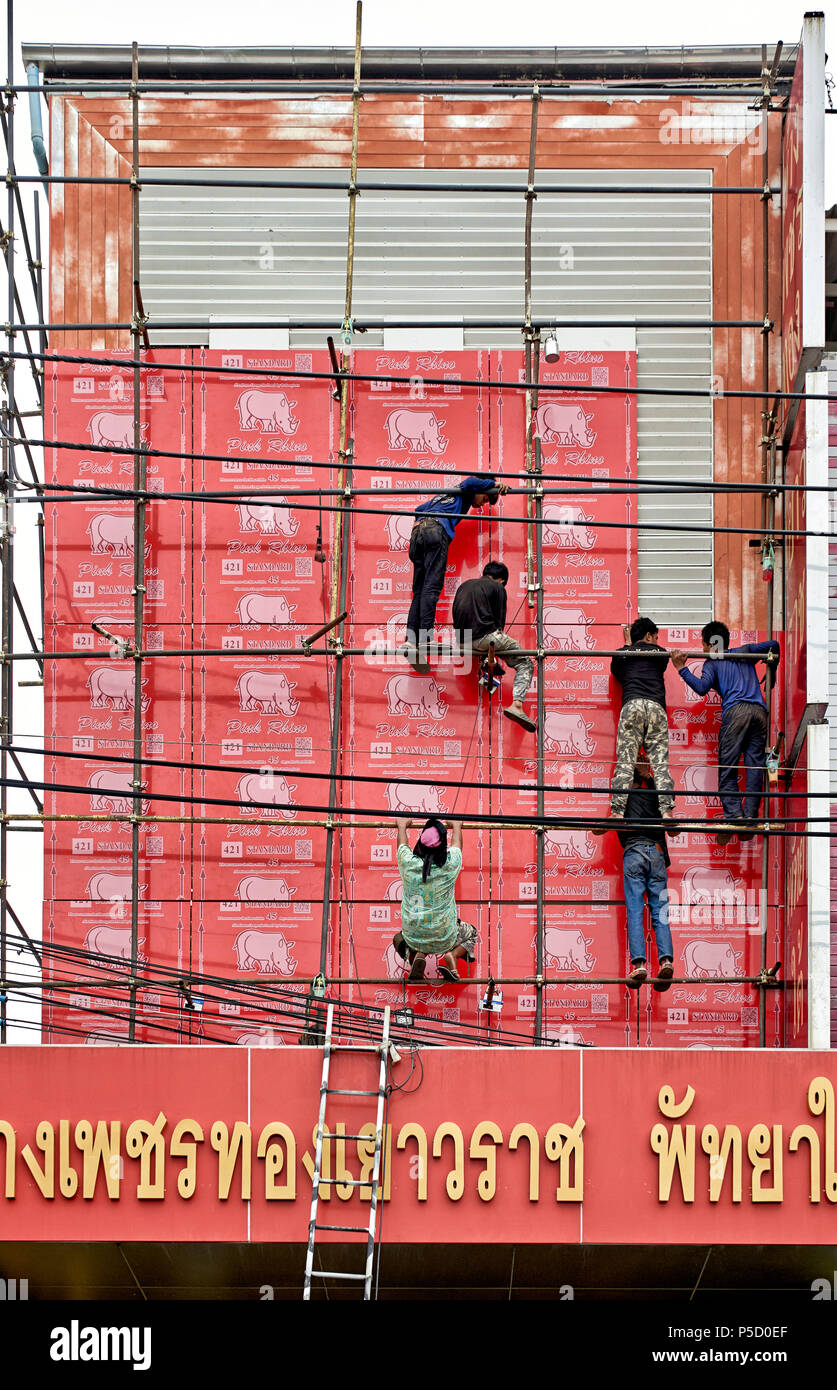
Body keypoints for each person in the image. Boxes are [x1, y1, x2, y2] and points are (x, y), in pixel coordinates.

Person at [671, 621, 780, 842]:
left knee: (727, 770)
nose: (702, 650)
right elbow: (775, 644)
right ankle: (749, 818)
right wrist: (773, 672)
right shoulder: (744, 651)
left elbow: (701, 688)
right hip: (760, 713)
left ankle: (735, 818)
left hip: (736, 713)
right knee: (754, 768)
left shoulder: (712, 662)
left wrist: (681, 668)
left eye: (703, 645)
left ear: (712, 644)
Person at [405, 475, 510, 669]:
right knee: (431, 588)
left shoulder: (445, 495)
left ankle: (411, 640)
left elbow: (419, 509)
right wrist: (495, 484)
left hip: (417, 533)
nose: (481, 505)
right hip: (436, 531)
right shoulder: (466, 489)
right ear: (481, 489)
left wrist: (420, 524)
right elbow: (471, 481)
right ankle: (425, 638)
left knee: (419, 590)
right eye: (485, 499)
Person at [603, 617, 676, 829]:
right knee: (660, 765)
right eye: (655, 637)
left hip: (632, 706)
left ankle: (617, 812)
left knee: (625, 762)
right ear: (648, 636)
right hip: (655, 708)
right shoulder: (661, 653)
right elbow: (657, 660)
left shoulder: (620, 655)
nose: (656, 641)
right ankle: (666, 812)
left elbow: (618, 669)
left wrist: (627, 643)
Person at [451, 561, 536, 731]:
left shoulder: (464, 586)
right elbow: (498, 626)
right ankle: (517, 706)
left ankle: (486, 662)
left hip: (462, 641)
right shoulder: (498, 588)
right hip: (484, 638)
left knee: (490, 644)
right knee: (524, 662)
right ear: (501, 580)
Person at [617, 755, 674, 990]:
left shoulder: (621, 798)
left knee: (634, 911)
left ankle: (639, 964)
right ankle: (666, 960)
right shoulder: (655, 795)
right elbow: (665, 822)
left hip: (634, 853)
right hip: (656, 854)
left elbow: (618, 829)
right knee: (660, 912)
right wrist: (648, 777)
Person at [393, 817, 463, 981]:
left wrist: (402, 826)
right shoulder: (449, 866)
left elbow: (402, 846)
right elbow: (457, 846)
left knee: (400, 939)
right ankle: (451, 955)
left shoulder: (408, 864)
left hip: (414, 935)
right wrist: (457, 827)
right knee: (470, 932)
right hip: (444, 937)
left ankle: (416, 954)